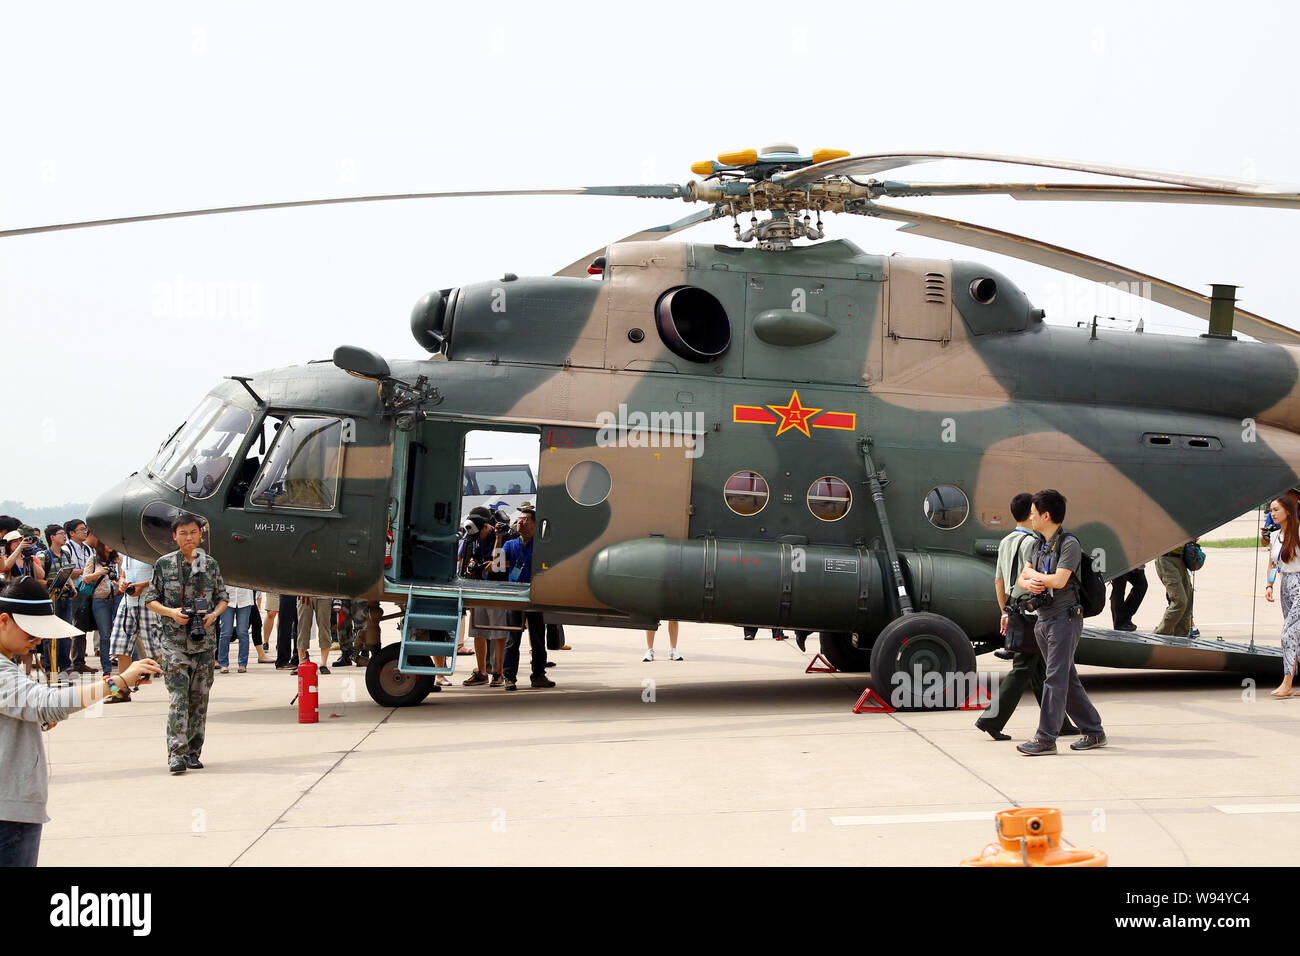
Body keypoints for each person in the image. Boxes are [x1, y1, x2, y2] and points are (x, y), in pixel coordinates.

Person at [0, 577, 162, 865]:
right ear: (4, 621)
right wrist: (118, 681)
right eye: (31, 635)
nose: (38, 642)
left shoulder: (8, 664)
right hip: (7, 816)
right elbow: (45, 704)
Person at [976, 492, 1078, 742]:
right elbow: (1038, 579)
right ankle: (991, 719)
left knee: (1040, 668)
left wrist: (1005, 610)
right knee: (1025, 666)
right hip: (1034, 610)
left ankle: (1061, 722)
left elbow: (999, 579)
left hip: (1015, 607)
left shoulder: (1006, 541)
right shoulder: (1035, 542)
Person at [1014, 489, 1107, 755]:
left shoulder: (1068, 544)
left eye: (1034, 514)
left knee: (1054, 678)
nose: (1030, 518)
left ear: (1046, 515)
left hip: (1065, 620)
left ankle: (1046, 739)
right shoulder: (1036, 544)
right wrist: (1029, 578)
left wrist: (1034, 576)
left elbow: (1060, 580)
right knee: (1066, 677)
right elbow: (1022, 579)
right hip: (1043, 620)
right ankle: (1094, 731)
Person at [142, 513, 229, 774]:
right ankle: (176, 754)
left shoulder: (210, 565)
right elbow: (150, 598)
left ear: (200, 534)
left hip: (204, 643)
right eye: (183, 533)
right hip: (174, 642)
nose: (188, 537)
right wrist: (171, 612)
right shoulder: (163, 564)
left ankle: (193, 751)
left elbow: (223, 597)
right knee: (178, 698)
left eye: (193, 532)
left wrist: (213, 615)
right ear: (174, 536)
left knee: (199, 699)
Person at [501, 504, 554, 690]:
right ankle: (509, 677)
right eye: (519, 519)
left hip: (535, 595)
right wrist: (498, 539)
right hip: (515, 595)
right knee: (512, 638)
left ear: (535, 524)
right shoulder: (509, 544)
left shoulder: (542, 546)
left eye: (525, 520)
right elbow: (497, 565)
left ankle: (539, 675)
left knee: (538, 637)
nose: (520, 523)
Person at [107, 551, 161, 703]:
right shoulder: (127, 553)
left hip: (149, 603)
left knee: (158, 650)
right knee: (120, 648)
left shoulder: (151, 552)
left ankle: (178, 688)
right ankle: (121, 691)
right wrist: (122, 582)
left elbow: (161, 578)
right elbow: (123, 574)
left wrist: (142, 586)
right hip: (127, 605)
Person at [1265, 491, 1300, 698]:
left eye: (1276, 510)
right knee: (1297, 635)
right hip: (1284, 584)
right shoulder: (1276, 537)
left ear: (1288, 511)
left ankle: (1287, 683)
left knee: (1288, 634)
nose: (1273, 514)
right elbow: (1273, 564)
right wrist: (1268, 585)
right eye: (1271, 511)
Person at [82, 534, 122, 677]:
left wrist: (119, 583)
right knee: (104, 635)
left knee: (123, 631)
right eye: (107, 543)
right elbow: (85, 578)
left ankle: (128, 661)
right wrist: (99, 573)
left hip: (117, 597)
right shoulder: (93, 559)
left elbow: (124, 576)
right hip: (100, 600)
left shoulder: (118, 559)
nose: (110, 546)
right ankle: (106, 667)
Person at [1153, 543, 1194, 637]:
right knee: (1180, 600)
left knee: (1188, 599)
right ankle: (1160, 633)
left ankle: (1181, 636)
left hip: (1180, 559)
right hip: (1166, 558)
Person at [217, 585, 256, 673]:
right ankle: (223, 664)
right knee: (225, 633)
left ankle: (242, 664)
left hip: (245, 598)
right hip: (227, 599)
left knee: (242, 632)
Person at [296, 596, 335, 674]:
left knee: (324, 628)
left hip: (323, 594)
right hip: (304, 594)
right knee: (302, 628)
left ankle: (324, 664)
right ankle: (301, 663)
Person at [1109, 566, 1148, 632]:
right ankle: (1119, 622)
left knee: (1142, 586)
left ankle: (1125, 618)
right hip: (1119, 562)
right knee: (1119, 590)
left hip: (1135, 561)